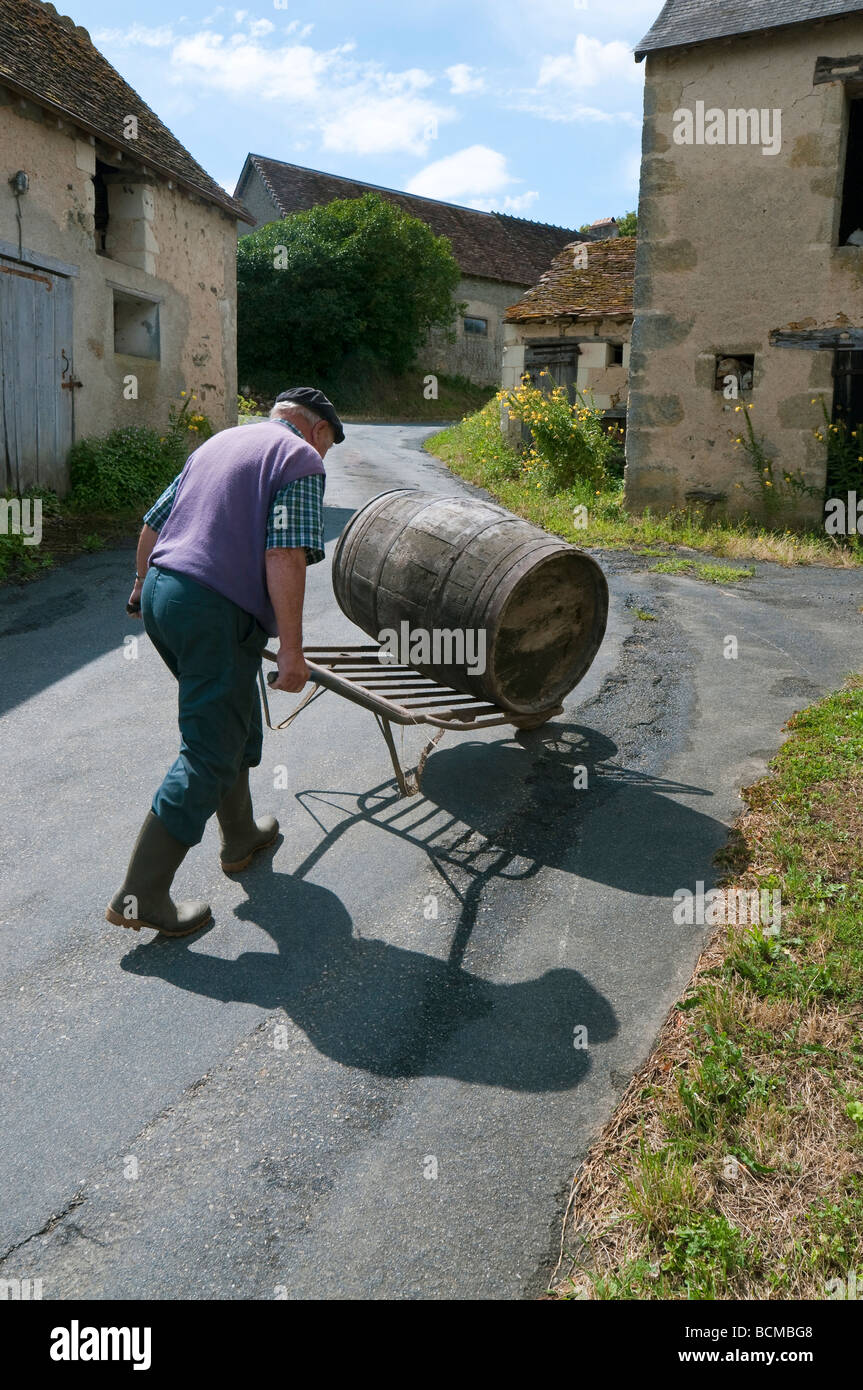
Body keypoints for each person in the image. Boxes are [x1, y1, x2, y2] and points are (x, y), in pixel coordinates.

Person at [106, 387, 344, 937]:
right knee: (210, 749)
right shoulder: (300, 458)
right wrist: (292, 648)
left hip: (166, 596)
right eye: (329, 443)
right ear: (317, 430)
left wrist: (142, 586)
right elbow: (283, 552)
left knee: (226, 716)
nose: (325, 455)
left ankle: (239, 836)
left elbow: (153, 523)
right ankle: (140, 895)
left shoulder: (221, 442)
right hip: (214, 610)